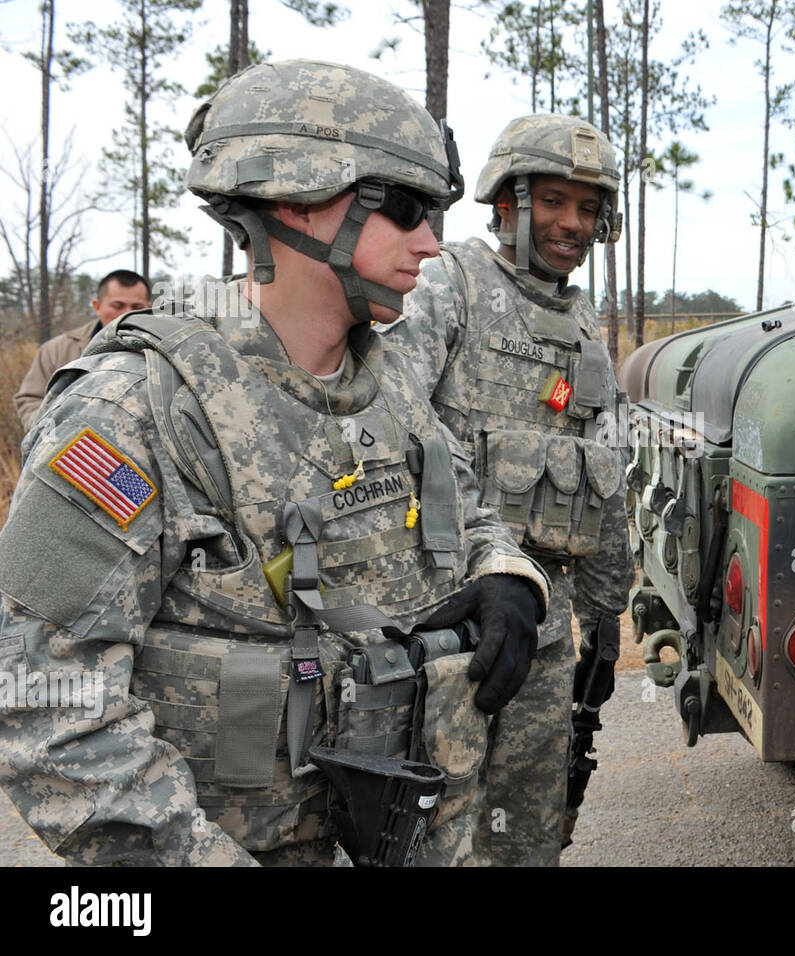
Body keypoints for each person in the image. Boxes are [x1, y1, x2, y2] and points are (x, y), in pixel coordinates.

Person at [0, 60, 549, 866]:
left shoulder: (389, 379)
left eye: (434, 215)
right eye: (404, 209)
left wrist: (506, 574)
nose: (432, 243)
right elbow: (45, 702)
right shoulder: (138, 405)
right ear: (294, 199)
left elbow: (463, 510)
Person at [403, 113, 633, 865]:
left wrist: (605, 609)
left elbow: (604, 468)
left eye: (588, 208)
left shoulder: (582, 322)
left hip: (550, 619)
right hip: (455, 610)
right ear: (506, 202)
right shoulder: (451, 285)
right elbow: (397, 425)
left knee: (528, 824)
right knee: (434, 819)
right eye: (553, 202)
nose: (572, 223)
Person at [13, 269, 151, 431]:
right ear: (97, 306)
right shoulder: (57, 350)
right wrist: (47, 432)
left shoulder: (159, 353)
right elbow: (30, 399)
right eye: (117, 306)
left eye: (137, 306)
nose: (127, 313)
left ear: (148, 309)